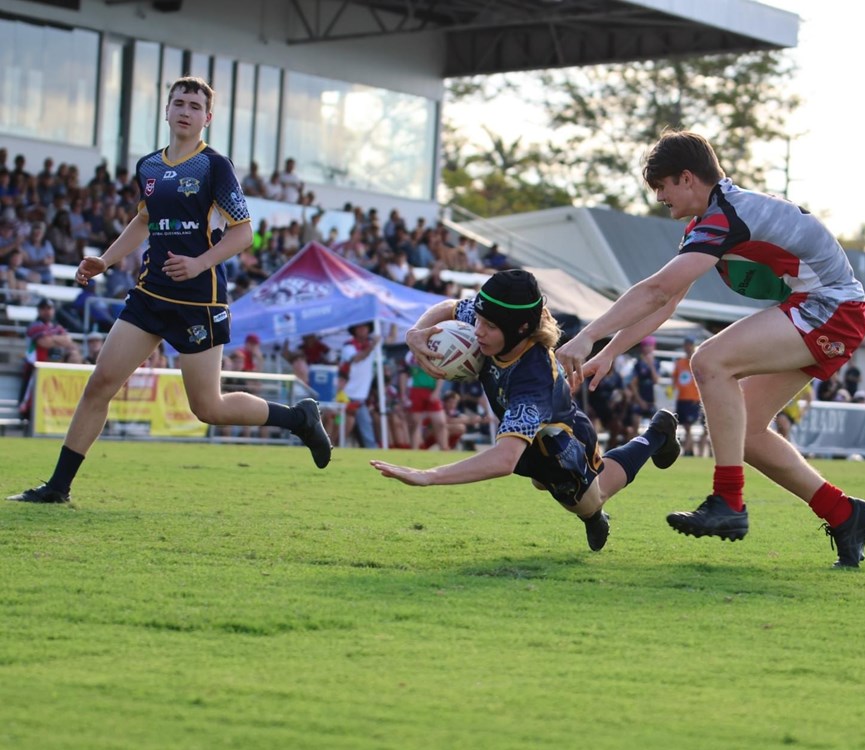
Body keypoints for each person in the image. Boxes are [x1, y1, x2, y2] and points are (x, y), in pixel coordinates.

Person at [555, 130, 865, 568]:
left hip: (830, 309)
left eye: (661, 187)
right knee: (742, 432)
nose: (659, 198)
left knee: (709, 361)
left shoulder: (727, 215)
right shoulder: (713, 218)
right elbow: (667, 302)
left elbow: (656, 290)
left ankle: (728, 501)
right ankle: (844, 514)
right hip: (823, 308)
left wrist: (587, 335)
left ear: (687, 179)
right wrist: (612, 349)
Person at [7, 76, 331, 505]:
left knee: (207, 408)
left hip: (199, 300)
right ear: (166, 111)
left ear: (207, 118)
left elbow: (244, 234)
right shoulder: (149, 167)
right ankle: (57, 488)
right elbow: (144, 221)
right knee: (100, 382)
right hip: (150, 294)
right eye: (178, 103)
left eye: (195, 106)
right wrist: (104, 260)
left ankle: (298, 418)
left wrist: (198, 263)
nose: (185, 110)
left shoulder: (215, 165)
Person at [371, 268, 682, 552]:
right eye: (478, 319)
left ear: (521, 329)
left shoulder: (532, 379)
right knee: (540, 480)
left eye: (489, 326)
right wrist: (416, 331)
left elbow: (504, 460)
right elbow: (452, 306)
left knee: (588, 501)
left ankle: (656, 435)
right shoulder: (492, 322)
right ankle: (583, 489)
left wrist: (428, 476)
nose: (477, 331)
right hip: (532, 436)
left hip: (563, 440)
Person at [671, 336, 703, 456]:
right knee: (683, 425)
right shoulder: (680, 362)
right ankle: (689, 450)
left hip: (692, 399)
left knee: (688, 426)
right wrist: (672, 390)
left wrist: (699, 397)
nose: (688, 347)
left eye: (690, 344)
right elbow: (675, 379)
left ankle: (687, 450)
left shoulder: (697, 362)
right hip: (681, 398)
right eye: (686, 344)